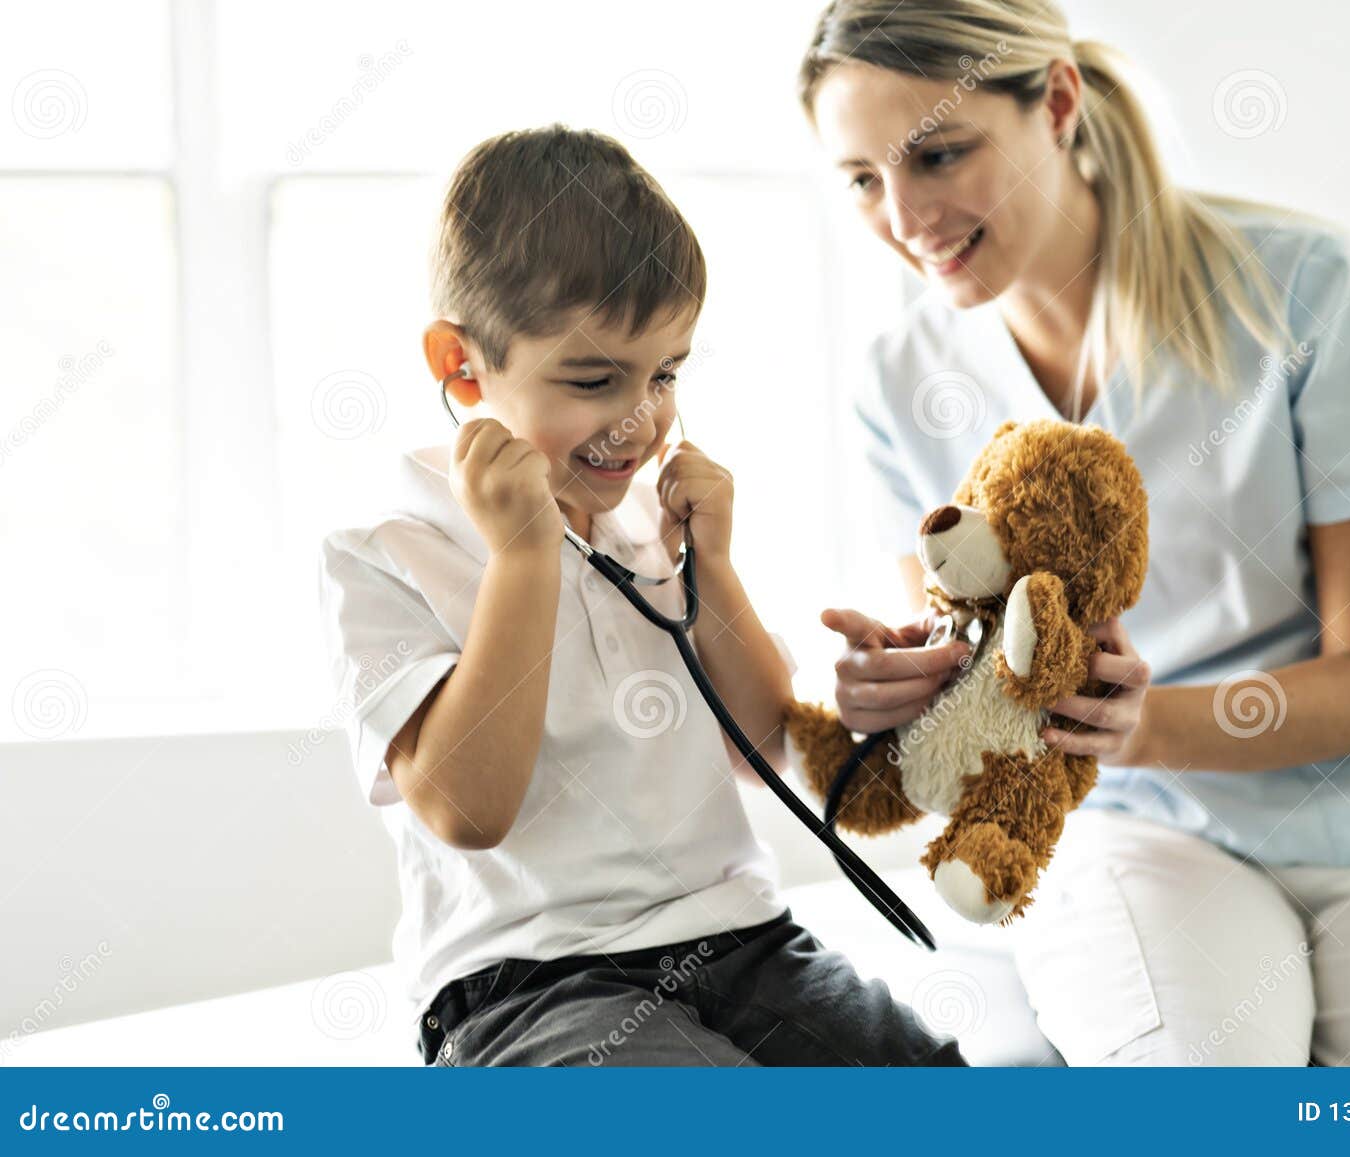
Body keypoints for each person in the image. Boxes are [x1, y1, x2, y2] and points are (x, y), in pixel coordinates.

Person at [798, 0, 1350, 1065]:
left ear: (1058, 102)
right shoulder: (898, 381)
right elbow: (976, 673)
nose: (904, 214)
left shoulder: (1300, 290)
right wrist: (907, 691)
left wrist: (1140, 721)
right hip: (1127, 823)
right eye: (860, 179)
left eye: (938, 154)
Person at [317, 126, 965, 1067]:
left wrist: (717, 566)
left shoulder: (639, 522)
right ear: (461, 365)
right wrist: (527, 560)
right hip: (530, 980)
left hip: (744, 941)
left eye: (665, 373)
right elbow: (468, 810)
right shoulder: (383, 548)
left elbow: (765, 739)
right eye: (593, 379)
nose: (640, 418)